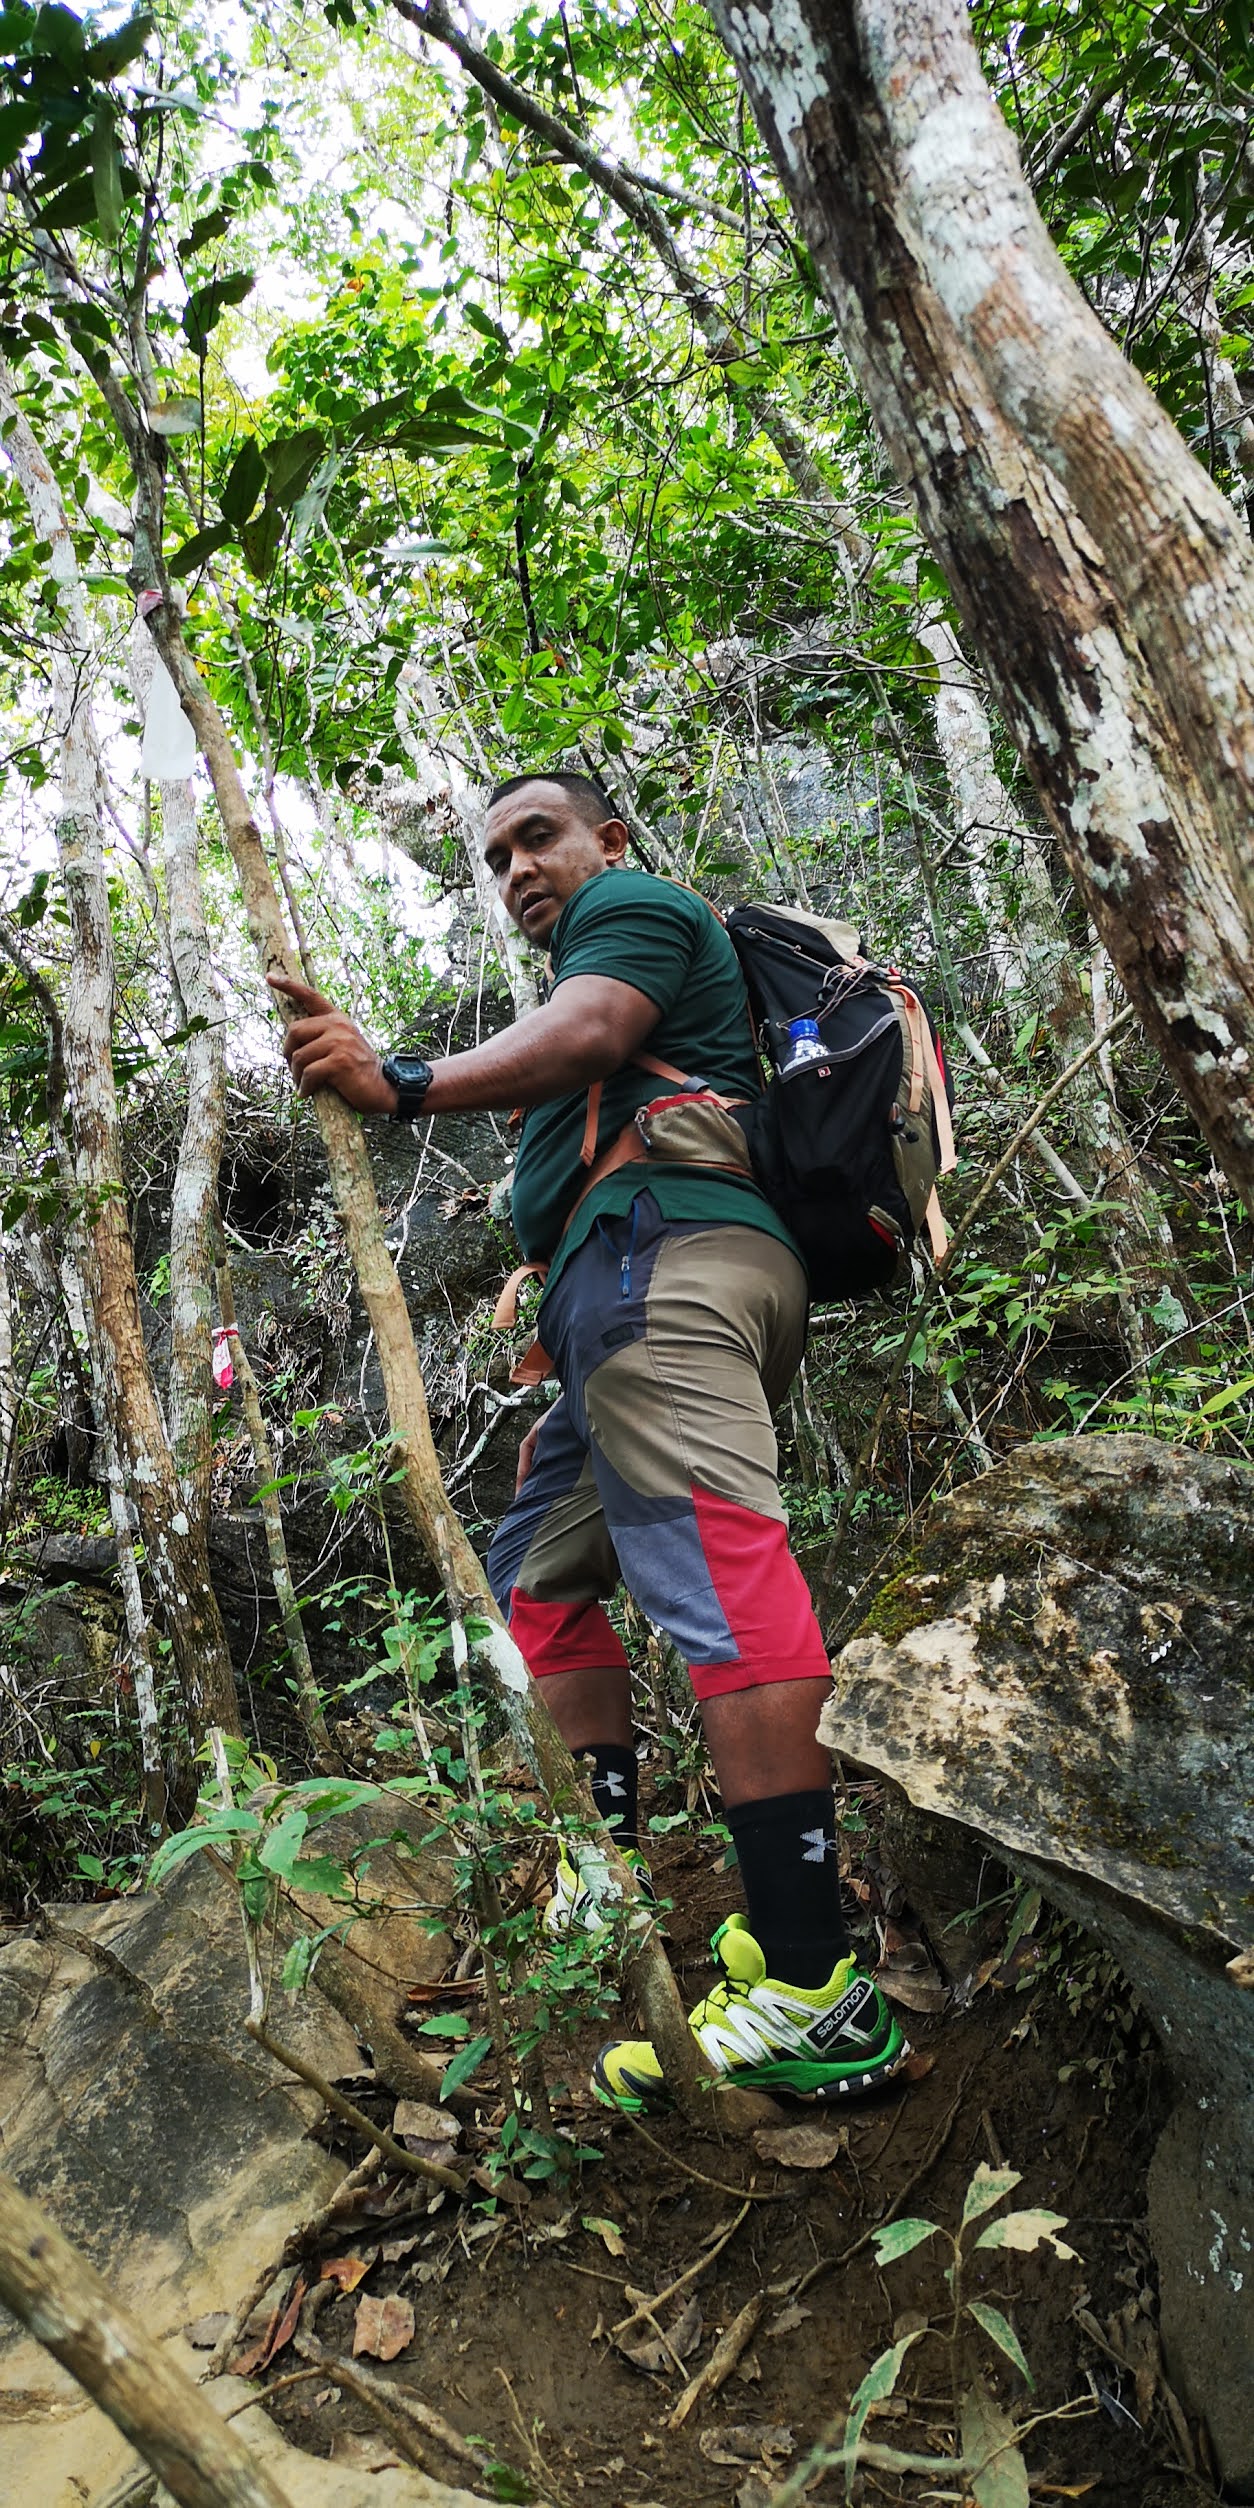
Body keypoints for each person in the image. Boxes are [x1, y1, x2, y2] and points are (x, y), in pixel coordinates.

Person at [271, 772, 908, 2112]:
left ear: (606, 839)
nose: (516, 870)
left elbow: (590, 1033)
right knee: (538, 1579)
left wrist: (401, 1082)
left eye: (537, 838)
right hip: (619, 1290)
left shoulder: (632, 912)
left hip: (665, 1266)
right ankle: (600, 1868)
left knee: (725, 1587)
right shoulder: (598, 950)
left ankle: (813, 1989)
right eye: (495, 856)